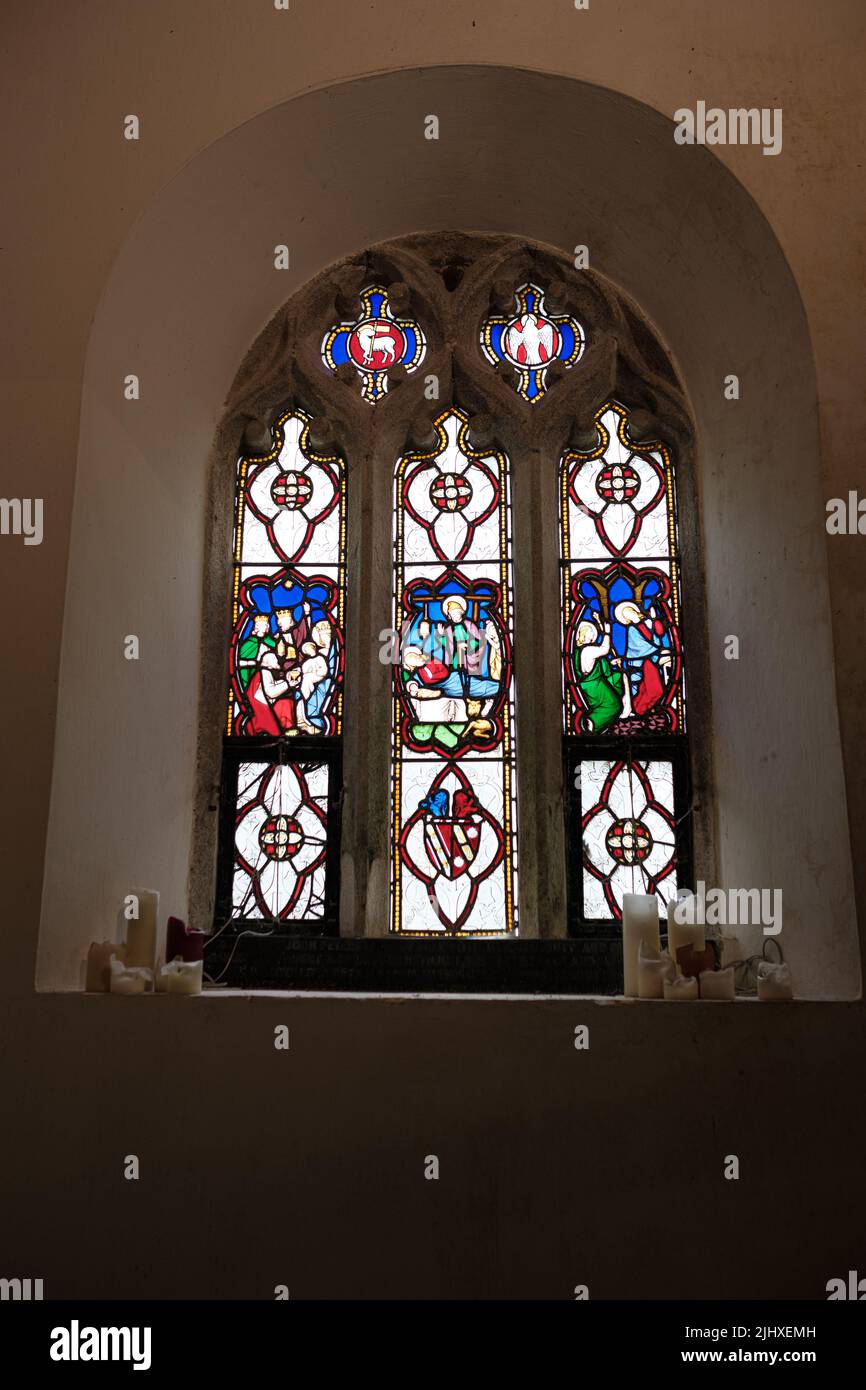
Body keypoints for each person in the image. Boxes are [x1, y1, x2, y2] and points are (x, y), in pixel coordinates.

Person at [613, 600, 672, 716]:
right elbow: (637, 648)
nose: (630, 613)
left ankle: (640, 709)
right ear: (626, 619)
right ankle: (640, 710)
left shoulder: (647, 621)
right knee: (654, 690)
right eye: (627, 614)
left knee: (647, 688)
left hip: (651, 659)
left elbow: (659, 632)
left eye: (630, 610)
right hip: (643, 661)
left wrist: (654, 619)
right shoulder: (631, 629)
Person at [574, 618, 626, 732]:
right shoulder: (588, 650)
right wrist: (607, 631)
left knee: (616, 679)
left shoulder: (578, 651)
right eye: (590, 631)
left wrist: (611, 663)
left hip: (589, 686)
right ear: (584, 634)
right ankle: (591, 724)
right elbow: (605, 649)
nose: (593, 632)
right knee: (613, 705)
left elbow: (592, 665)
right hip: (595, 686)